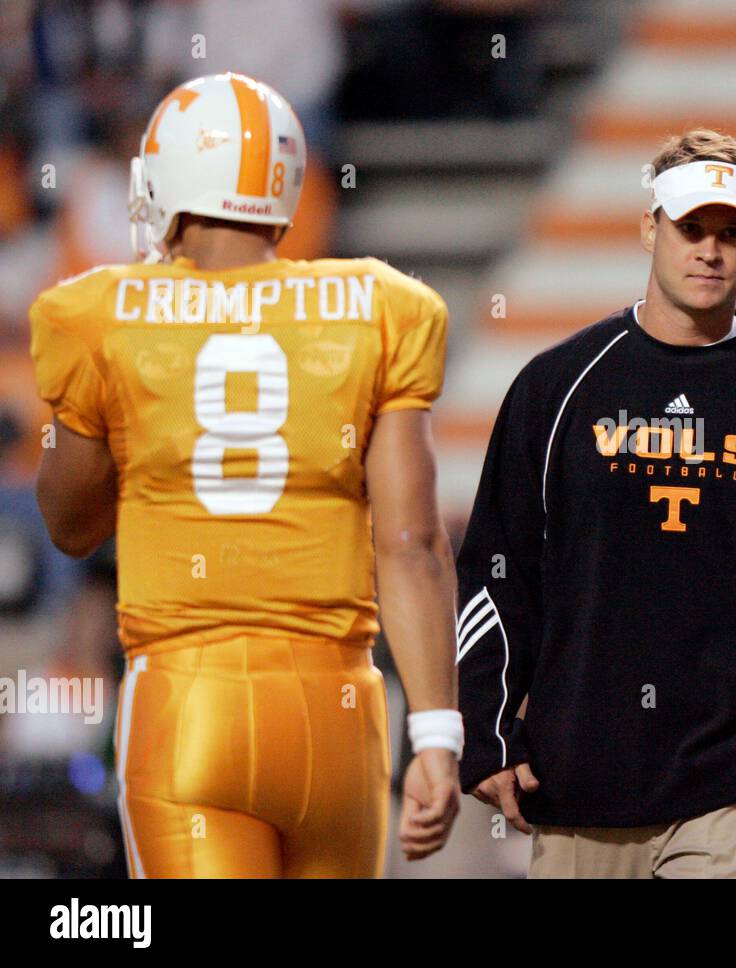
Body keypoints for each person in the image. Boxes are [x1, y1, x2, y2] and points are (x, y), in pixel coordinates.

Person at [29, 73, 460, 877]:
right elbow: (412, 541)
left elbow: (70, 524)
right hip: (340, 711)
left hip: (191, 705)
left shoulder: (98, 314)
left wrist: (104, 400)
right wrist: (436, 732)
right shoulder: (377, 305)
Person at [455, 129, 736, 878]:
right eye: (691, 228)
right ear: (648, 228)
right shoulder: (556, 387)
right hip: (578, 776)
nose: (709, 251)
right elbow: (498, 573)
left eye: (730, 233)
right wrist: (486, 732)